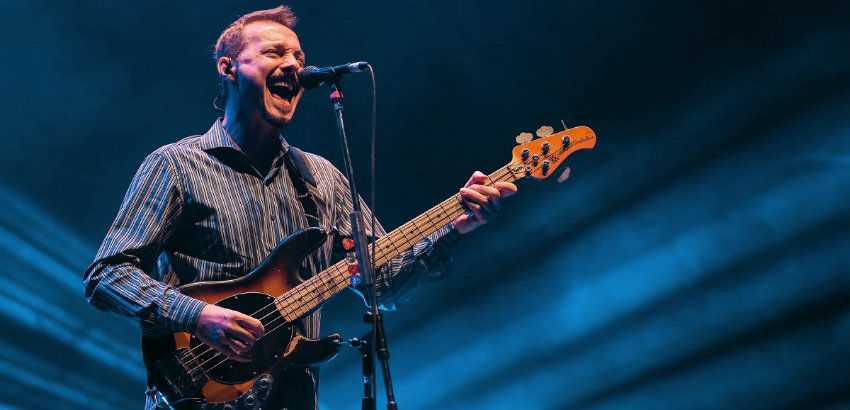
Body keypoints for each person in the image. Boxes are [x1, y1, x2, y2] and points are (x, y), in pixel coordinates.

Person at [83, 5, 517, 410]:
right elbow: (106, 274)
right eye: (275, 52)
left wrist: (455, 228)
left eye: (299, 55)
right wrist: (198, 316)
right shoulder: (175, 165)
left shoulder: (322, 178)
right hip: (197, 393)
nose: (294, 65)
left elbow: (382, 285)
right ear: (228, 67)